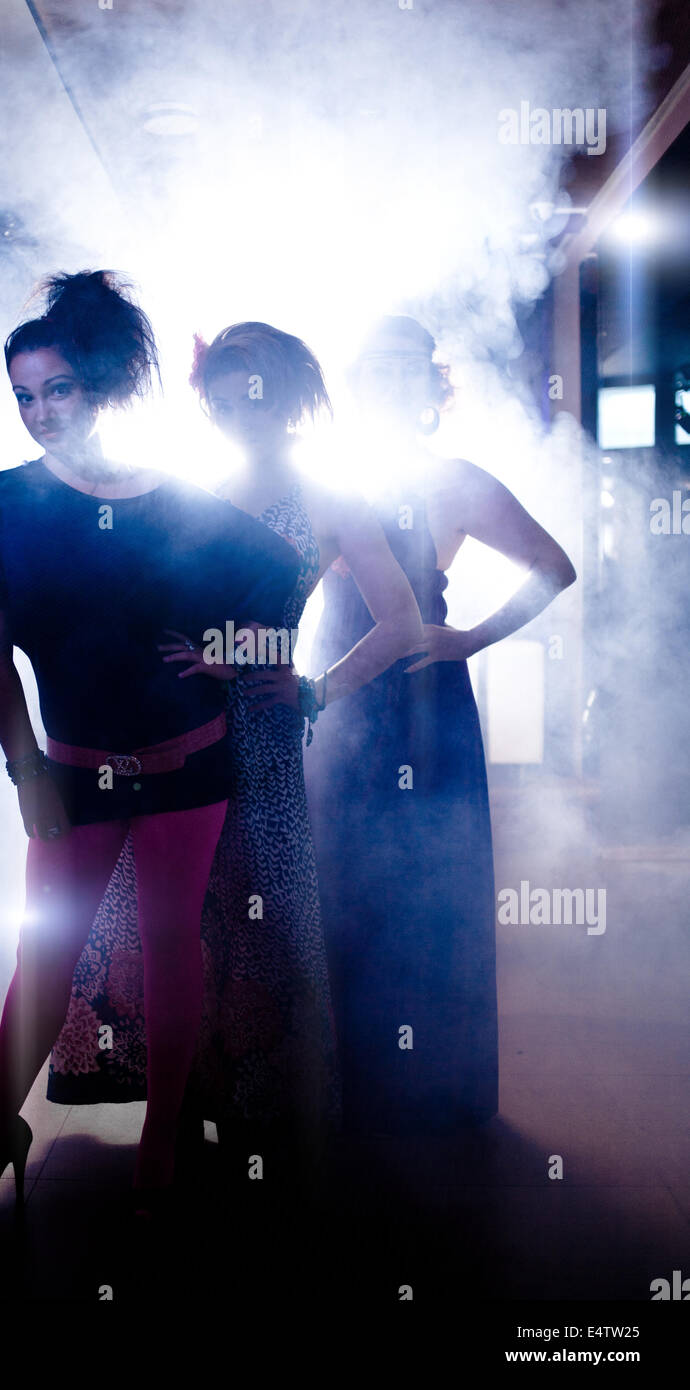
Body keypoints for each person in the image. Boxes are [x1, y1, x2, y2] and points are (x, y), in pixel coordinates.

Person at [0, 272, 301, 1228]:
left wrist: (231, 657)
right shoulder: (2, 503)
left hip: (191, 768)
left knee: (174, 948)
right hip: (73, 773)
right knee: (42, 960)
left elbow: (279, 587)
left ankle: (160, 1153)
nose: (39, 412)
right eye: (22, 394)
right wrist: (25, 775)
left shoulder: (182, 506)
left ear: (98, 388)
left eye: (57, 389)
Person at [46, 321, 424, 1199]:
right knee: (175, 921)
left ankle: (263, 1116)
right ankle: (181, 1113)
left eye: (248, 394)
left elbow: (403, 621)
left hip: (260, 732)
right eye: (216, 399)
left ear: (291, 397)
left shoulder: (332, 499)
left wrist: (315, 690)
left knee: (262, 916)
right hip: (169, 731)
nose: (231, 413)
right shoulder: (198, 493)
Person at [306, 315, 577, 1135]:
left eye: (405, 372)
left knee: (433, 886)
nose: (389, 386)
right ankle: (341, 1087)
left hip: (425, 706)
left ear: (430, 388)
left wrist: (468, 638)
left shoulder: (457, 481)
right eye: (374, 372)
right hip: (337, 697)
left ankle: (440, 1093)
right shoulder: (323, 480)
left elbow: (554, 567)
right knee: (334, 880)